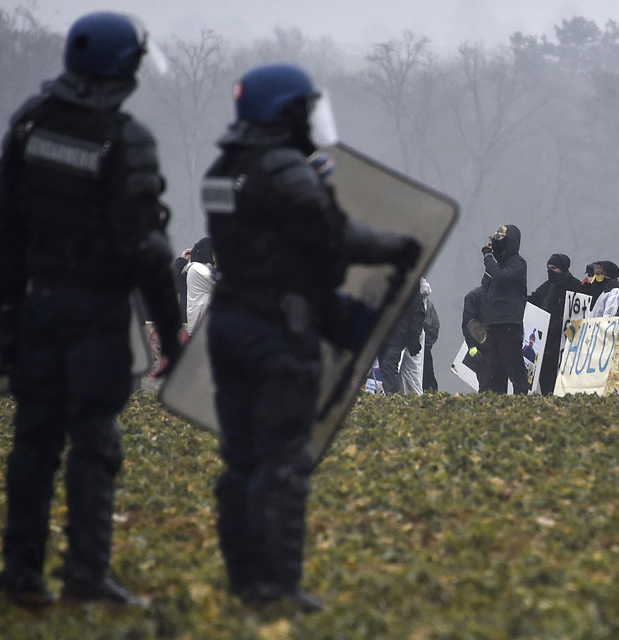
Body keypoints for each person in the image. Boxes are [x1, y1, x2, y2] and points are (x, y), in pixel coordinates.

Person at [201, 62, 420, 612]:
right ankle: (276, 585)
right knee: (282, 461)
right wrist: (395, 246)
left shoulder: (226, 167)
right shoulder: (285, 170)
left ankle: (244, 578)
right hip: (277, 328)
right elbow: (332, 236)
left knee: (241, 459)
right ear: (285, 111)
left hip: (229, 322)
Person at [0, 13, 186, 609]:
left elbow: (3, 228)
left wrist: (5, 310)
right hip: (96, 312)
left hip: (38, 305)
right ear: (123, 69)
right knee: (94, 443)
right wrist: (169, 331)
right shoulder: (123, 140)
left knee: (33, 442)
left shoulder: (29, 125)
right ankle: (85, 575)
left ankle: (20, 573)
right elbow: (146, 249)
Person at [480, 224, 529, 394]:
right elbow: (485, 287)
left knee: (514, 367)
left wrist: (488, 258)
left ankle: (521, 399)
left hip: (509, 323)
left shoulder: (518, 263)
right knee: (496, 370)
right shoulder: (498, 265)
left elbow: (501, 278)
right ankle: (499, 400)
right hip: (495, 323)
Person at [527, 253, 581, 395]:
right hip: (545, 344)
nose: (550, 271)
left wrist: (562, 328)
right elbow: (534, 300)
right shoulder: (547, 286)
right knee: (546, 382)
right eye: (548, 268)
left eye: (553, 268)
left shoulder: (576, 286)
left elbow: (581, 315)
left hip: (564, 344)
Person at [377, 289, 425, 394]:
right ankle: (393, 397)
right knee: (386, 368)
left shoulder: (411, 288)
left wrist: (414, 338)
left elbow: (418, 313)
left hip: (397, 335)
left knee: (388, 367)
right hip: (386, 335)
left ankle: (393, 398)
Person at [461, 274, 490, 387]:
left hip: (497, 351)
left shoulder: (500, 296)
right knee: (486, 386)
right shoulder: (474, 297)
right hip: (483, 352)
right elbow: (468, 326)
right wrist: (473, 348)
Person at [421, 279, 440, 392]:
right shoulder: (427, 304)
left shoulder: (428, 305)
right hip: (417, 348)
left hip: (423, 350)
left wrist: (425, 345)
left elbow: (434, 327)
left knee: (428, 380)